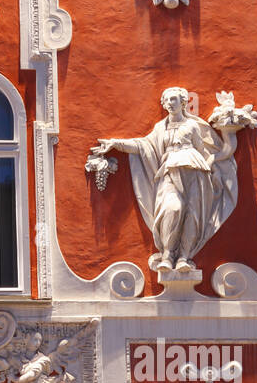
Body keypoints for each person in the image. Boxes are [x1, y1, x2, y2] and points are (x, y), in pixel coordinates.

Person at [94, 87, 236, 273]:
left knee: (193, 214)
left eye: (174, 99)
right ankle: (168, 254)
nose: (170, 103)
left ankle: (184, 257)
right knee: (172, 208)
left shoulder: (192, 126)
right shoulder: (161, 128)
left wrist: (216, 164)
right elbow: (143, 145)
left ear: (183, 102)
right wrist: (116, 143)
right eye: (167, 100)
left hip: (195, 170)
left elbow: (203, 151)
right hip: (170, 170)